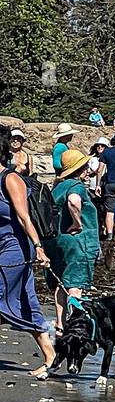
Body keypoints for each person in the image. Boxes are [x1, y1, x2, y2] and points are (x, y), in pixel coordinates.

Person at [0, 128, 56, 377]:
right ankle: (50, 354)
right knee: (26, 299)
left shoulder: (10, 179)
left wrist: (38, 247)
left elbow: (24, 217)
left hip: (15, 248)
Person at [46, 148, 100, 335]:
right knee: (75, 287)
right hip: (76, 242)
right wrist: (77, 223)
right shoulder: (76, 186)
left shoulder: (57, 186)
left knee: (61, 284)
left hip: (56, 242)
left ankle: (60, 324)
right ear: (81, 168)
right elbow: (74, 201)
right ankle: (74, 327)